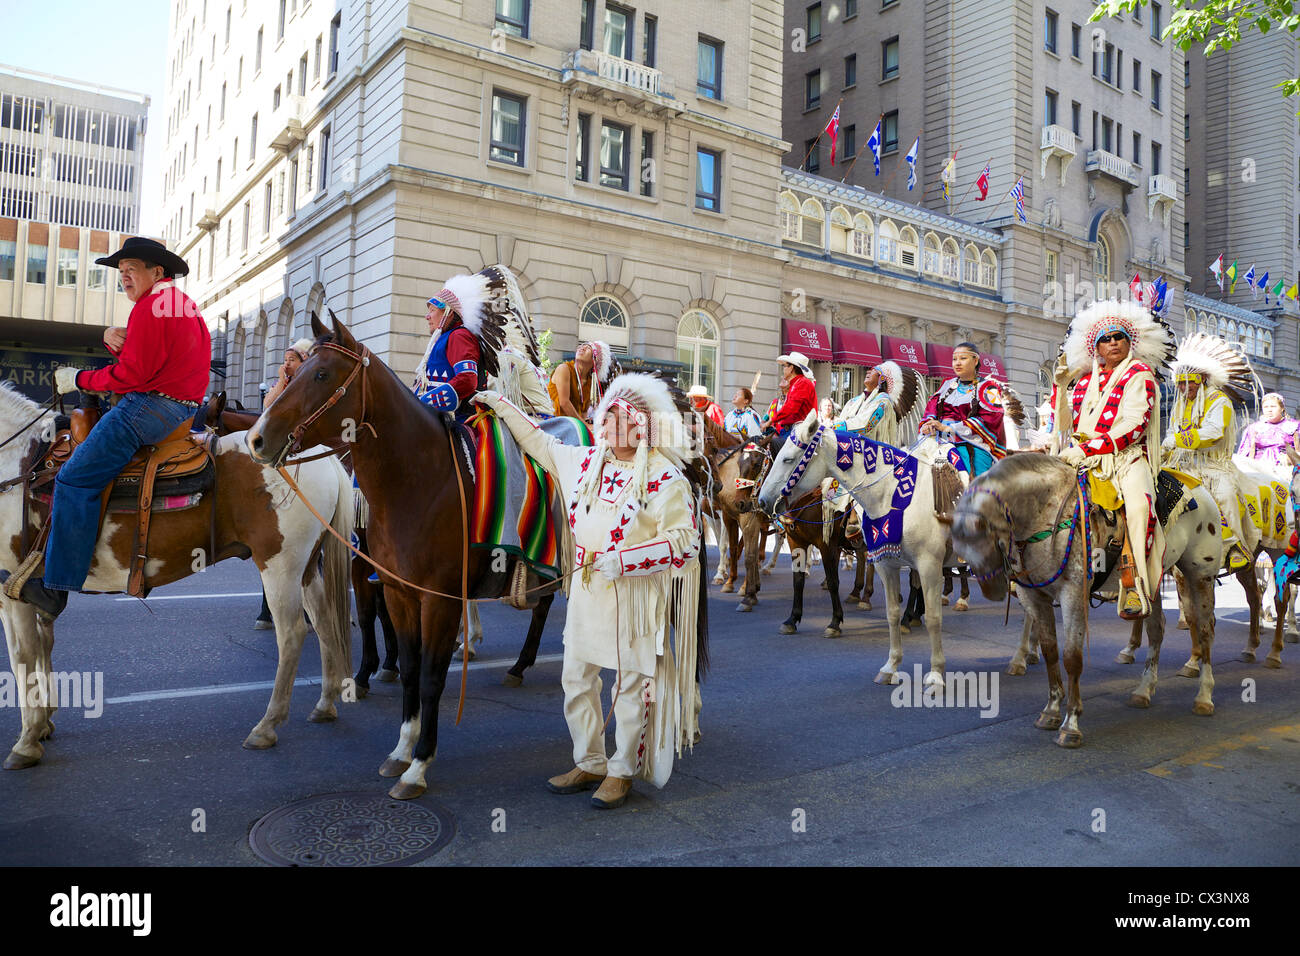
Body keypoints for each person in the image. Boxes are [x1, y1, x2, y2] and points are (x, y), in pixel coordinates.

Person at [474, 373, 703, 810]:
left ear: (643, 426)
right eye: (607, 419)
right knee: (576, 678)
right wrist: (502, 405)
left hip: (636, 599)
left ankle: (621, 771)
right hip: (587, 590)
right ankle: (590, 760)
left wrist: (624, 560)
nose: (611, 428)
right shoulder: (586, 461)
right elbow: (539, 442)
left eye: (621, 420)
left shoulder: (665, 477)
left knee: (632, 686)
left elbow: (685, 542)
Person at [2, 238, 211, 619]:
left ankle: (55, 585)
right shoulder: (180, 305)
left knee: (74, 478)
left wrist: (79, 378)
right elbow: (155, 361)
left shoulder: (150, 308)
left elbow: (134, 376)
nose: (124, 277)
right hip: (179, 408)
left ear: (157, 272)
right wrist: (114, 340)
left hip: (148, 407)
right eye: (121, 272)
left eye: (132, 268)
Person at [1050, 299, 1175, 621]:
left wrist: (1089, 450)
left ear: (1129, 341)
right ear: (1096, 346)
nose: (1113, 342)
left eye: (1119, 336)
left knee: (1138, 507)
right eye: (1106, 338)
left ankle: (1135, 583)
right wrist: (1061, 388)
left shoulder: (1140, 373)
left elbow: (1134, 425)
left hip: (1126, 459)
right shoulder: (1082, 380)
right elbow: (1065, 426)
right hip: (1081, 455)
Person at [1162, 333, 1257, 571]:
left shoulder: (1220, 400)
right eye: (1180, 383)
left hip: (1214, 466)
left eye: (1190, 382)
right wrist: (1164, 448)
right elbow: (1172, 432)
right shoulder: (1180, 405)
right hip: (1182, 464)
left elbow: (1213, 433)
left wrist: (1176, 440)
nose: (1185, 388)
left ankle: (1235, 546)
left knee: (1225, 494)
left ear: (1203, 379)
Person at [918, 342, 1006, 477]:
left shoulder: (988, 387)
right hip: (939, 440)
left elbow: (992, 418)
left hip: (973, 442)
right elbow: (931, 409)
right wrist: (928, 424)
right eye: (954, 359)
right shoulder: (947, 384)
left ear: (975, 360)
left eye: (963, 358)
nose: (957, 363)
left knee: (976, 484)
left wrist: (950, 428)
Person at [412, 273, 488, 423]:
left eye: (432, 310)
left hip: (459, 421)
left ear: (448, 312)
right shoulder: (445, 337)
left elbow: (467, 379)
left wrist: (425, 404)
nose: (427, 316)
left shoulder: (459, 336)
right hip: (439, 419)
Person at [833, 361, 916, 447]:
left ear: (882, 379)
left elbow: (865, 425)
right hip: (847, 445)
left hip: (870, 451)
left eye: (873, 371)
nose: (868, 372)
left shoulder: (883, 402)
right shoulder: (853, 402)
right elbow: (841, 419)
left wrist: (835, 427)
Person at [549, 341, 613, 421]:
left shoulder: (590, 383)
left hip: (573, 426)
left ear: (595, 360)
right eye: (582, 345)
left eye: (588, 348)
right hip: (553, 422)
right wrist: (584, 425)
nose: (582, 348)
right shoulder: (564, 369)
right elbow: (564, 403)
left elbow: (583, 412)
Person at [1238, 392, 1300, 474]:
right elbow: (1244, 453)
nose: (1269, 410)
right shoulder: (1253, 428)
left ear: (1282, 408)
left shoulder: (1295, 426)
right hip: (1259, 469)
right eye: (1266, 407)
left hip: (1287, 469)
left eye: (1273, 406)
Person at [764, 352, 818, 446]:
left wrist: (770, 421)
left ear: (791, 368)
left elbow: (790, 408)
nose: (783, 369)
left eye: (785, 366)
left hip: (798, 431)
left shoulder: (802, 383)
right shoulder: (798, 383)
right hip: (793, 430)